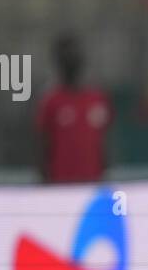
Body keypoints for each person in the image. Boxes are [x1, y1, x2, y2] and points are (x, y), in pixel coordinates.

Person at [35, 34, 112, 184]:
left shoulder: (97, 99)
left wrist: (105, 175)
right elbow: (43, 145)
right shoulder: (50, 101)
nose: (72, 60)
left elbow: (105, 142)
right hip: (61, 186)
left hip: (93, 184)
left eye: (75, 55)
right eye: (67, 56)